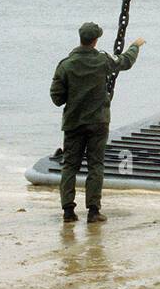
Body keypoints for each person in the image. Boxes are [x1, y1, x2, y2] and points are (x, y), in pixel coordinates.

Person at [50, 22, 145, 224]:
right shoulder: (103, 61)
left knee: (69, 166)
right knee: (95, 165)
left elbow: (57, 98)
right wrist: (135, 45)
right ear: (95, 40)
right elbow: (125, 62)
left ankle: (68, 211)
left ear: (81, 39)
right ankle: (93, 211)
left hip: (73, 123)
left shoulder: (65, 65)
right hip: (98, 122)